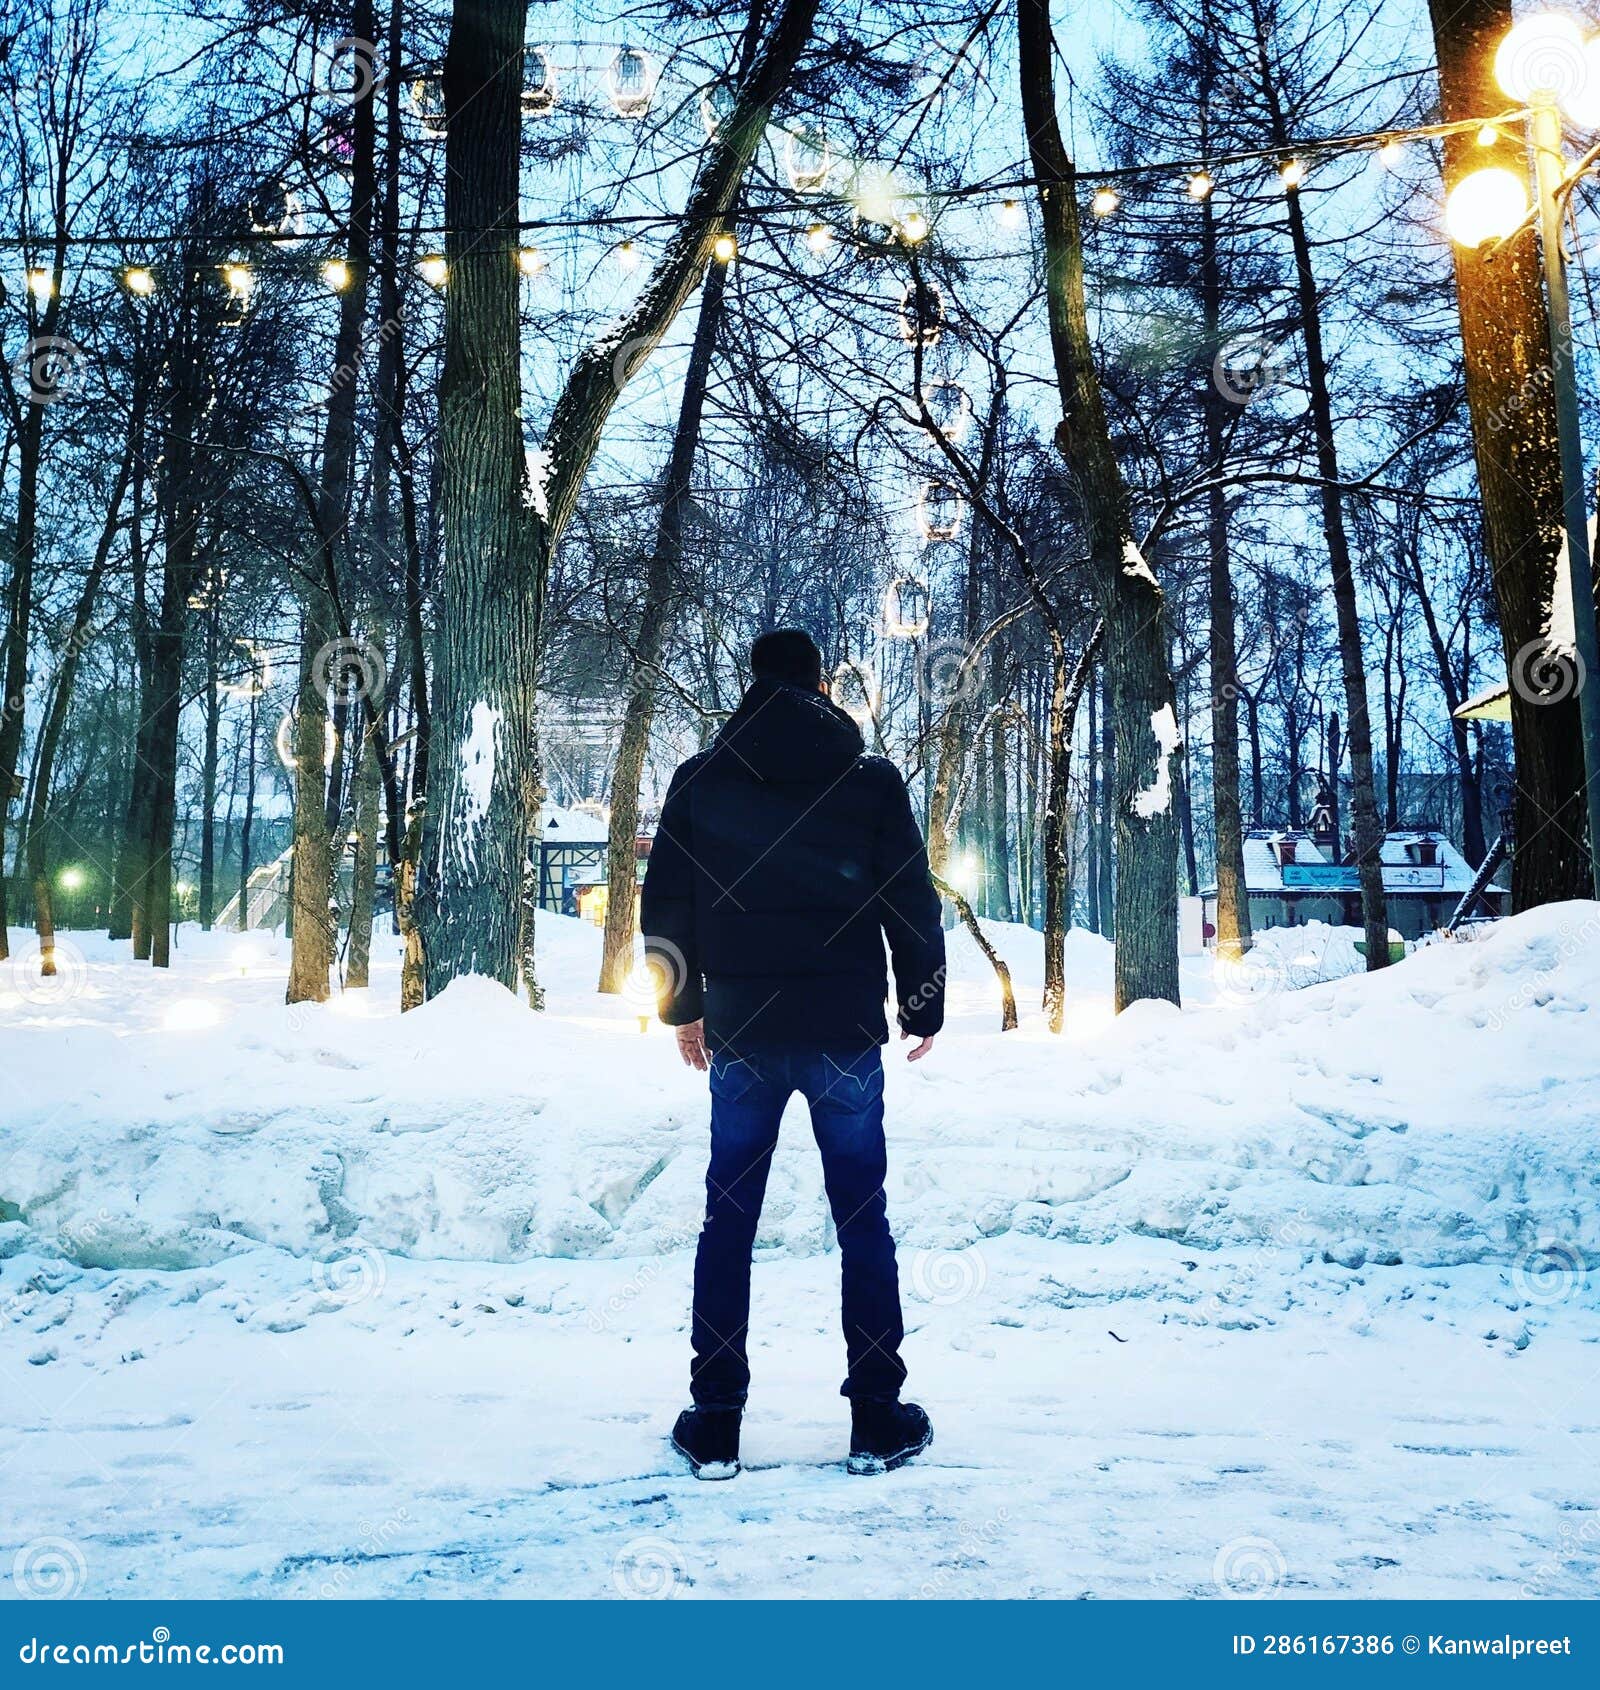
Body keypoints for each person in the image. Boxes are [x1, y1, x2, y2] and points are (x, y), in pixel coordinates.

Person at [639, 628, 946, 1480]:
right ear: (819, 683)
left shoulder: (700, 781)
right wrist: (923, 1001)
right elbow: (910, 900)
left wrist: (684, 1010)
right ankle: (877, 1421)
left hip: (742, 1035)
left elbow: (666, 908)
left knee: (727, 1222)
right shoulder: (868, 780)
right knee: (863, 1222)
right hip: (843, 1035)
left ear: (751, 682)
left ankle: (716, 1422)